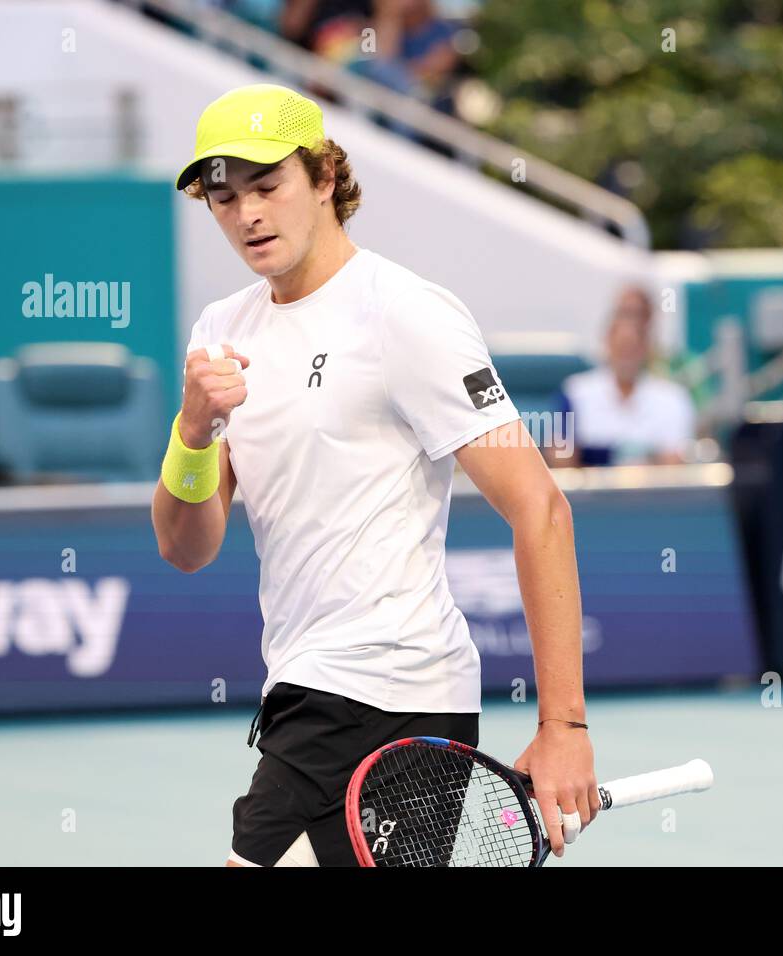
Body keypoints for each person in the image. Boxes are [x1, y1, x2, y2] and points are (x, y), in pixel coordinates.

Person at [151, 84, 596, 866]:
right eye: (223, 198)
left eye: (267, 187)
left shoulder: (406, 314)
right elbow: (186, 548)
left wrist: (563, 728)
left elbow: (540, 510)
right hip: (305, 690)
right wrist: (192, 433)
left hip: (388, 690)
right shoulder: (220, 331)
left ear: (325, 178)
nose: (246, 214)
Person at [551, 287, 696, 467]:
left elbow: (675, 462)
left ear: (645, 348)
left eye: (632, 348)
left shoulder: (674, 398)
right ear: (607, 343)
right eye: (620, 347)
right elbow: (560, 457)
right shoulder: (575, 392)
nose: (626, 356)